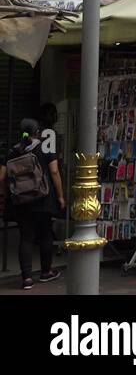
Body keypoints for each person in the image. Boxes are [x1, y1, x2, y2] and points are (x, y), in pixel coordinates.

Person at [1, 119, 65, 290]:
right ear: (38, 132)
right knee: (45, 234)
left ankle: (27, 278)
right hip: (43, 198)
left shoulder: (12, 152)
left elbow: (1, 177)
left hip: (21, 202)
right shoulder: (45, 149)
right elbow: (54, 171)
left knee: (26, 237)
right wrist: (60, 196)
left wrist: (5, 196)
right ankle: (46, 272)